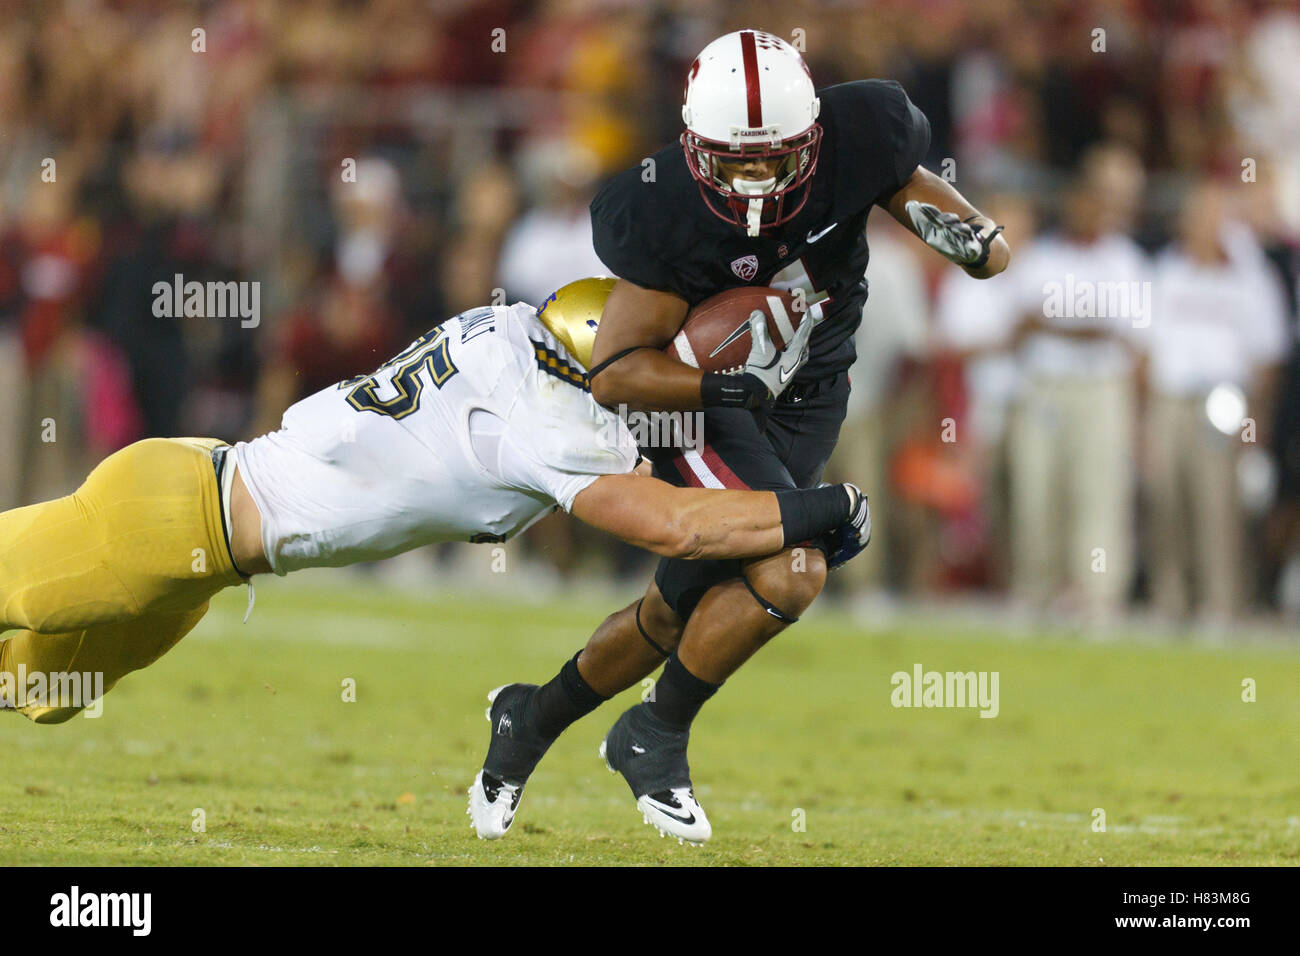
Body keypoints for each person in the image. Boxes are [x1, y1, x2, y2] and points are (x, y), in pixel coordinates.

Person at [470, 29, 1010, 845]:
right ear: (694, 148)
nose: (756, 178)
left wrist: (972, 237)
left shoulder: (865, 133)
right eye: (735, 160)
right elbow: (618, 372)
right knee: (795, 566)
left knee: (673, 610)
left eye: (775, 158)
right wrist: (728, 384)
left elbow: (927, 203)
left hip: (813, 392)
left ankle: (527, 722)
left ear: (814, 140)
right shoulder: (658, 207)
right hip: (703, 401)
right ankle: (655, 736)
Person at [0, 277, 870, 726]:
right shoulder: (547, 421)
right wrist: (827, 508)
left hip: (203, 528)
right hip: (170, 519)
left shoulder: (506, 334)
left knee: (39, 689)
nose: (633, 389)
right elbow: (679, 528)